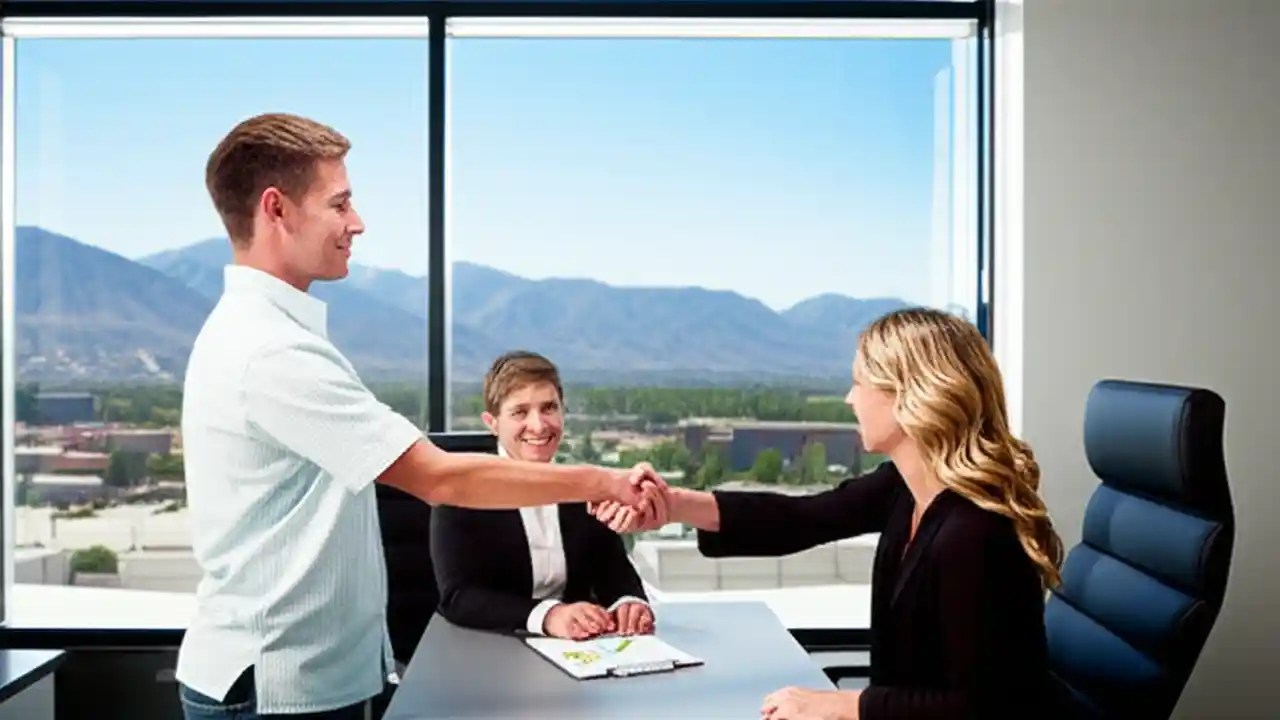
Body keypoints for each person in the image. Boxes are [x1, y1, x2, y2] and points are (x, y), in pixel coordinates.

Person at [176, 112, 662, 720]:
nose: (357, 222)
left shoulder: (270, 336)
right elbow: (443, 478)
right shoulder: (273, 352)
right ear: (277, 209)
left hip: (309, 677)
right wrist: (601, 481)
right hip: (278, 687)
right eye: (339, 203)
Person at [592, 307, 1062, 720]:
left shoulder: (975, 534)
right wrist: (673, 506)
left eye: (859, 382)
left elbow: (982, 708)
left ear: (909, 397)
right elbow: (803, 518)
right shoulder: (906, 488)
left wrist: (841, 706)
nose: (849, 399)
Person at [431, 351, 655, 639]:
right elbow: (459, 597)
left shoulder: (583, 487)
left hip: (576, 653)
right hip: (486, 649)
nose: (538, 425)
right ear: (492, 422)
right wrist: (548, 615)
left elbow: (615, 572)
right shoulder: (460, 492)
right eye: (520, 412)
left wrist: (629, 603)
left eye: (549, 408)